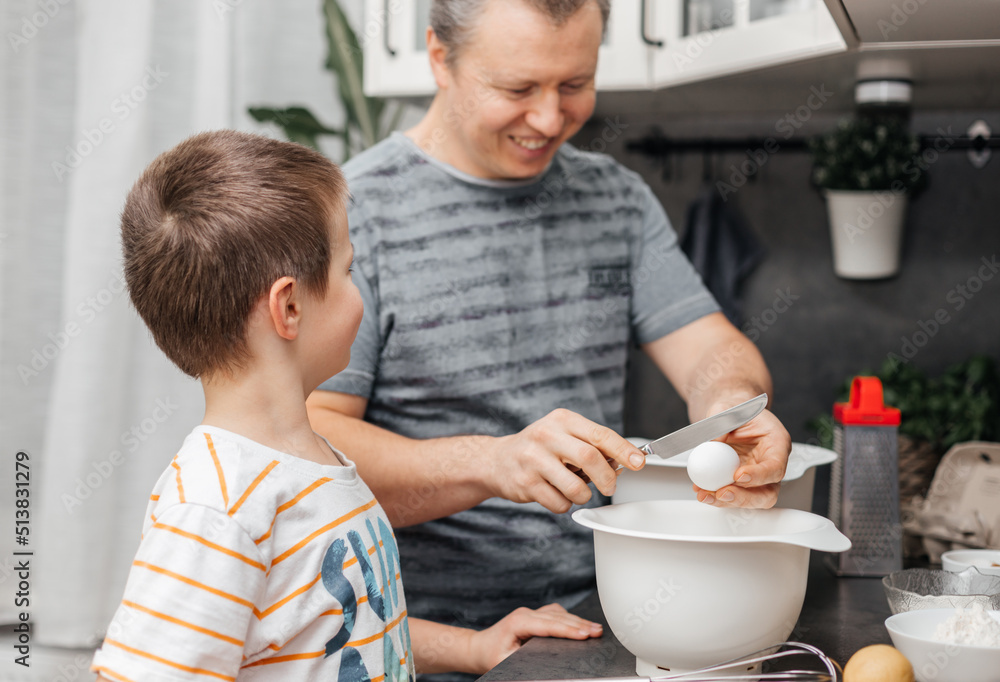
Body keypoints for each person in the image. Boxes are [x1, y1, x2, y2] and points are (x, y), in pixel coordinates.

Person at [306, 0, 793, 659]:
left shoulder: (615, 199)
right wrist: (490, 462)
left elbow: (709, 346)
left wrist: (728, 410)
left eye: (575, 84)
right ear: (440, 59)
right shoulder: (351, 216)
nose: (548, 119)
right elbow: (313, 450)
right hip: (419, 644)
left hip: (597, 626)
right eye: (517, 89)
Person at [91, 130, 604, 682]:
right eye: (347, 270)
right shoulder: (218, 507)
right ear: (289, 306)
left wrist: (473, 647)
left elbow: (339, 628)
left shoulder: (312, 460)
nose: (358, 286)